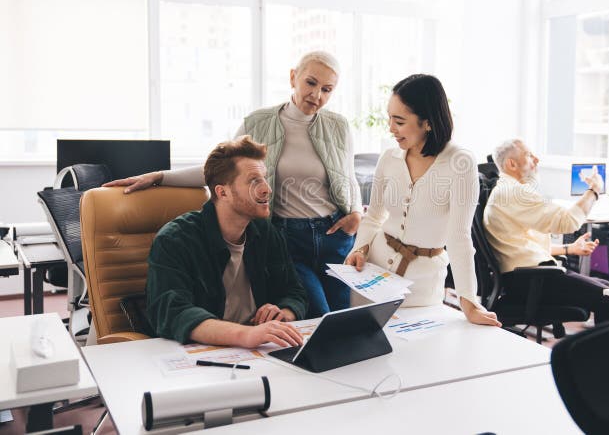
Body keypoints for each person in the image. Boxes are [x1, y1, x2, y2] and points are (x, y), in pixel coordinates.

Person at [105, 51, 362, 318]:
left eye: (327, 90)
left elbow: (348, 176)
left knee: (342, 318)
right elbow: (222, 169)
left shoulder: (338, 126)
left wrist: (356, 213)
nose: (317, 95)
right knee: (316, 315)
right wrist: (160, 176)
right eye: (311, 83)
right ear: (293, 77)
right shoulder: (258, 122)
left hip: (334, 235)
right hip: (287, 237)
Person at [343, 74, 500, 326]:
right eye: (389, 118)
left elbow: (459, 236)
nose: (391, 128)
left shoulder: (460, 163)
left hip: (422, 286)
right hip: (372, 277)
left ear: (427, 122)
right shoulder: (389, 158)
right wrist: (359, 248)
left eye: (399, 121)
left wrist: (468, 301)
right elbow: (374, 216)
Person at [147, 136, 306, 348]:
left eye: (265, 179)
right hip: (201, 352)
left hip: (259, 350)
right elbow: (173, 312)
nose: (267, 189)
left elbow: (295, 292)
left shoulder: (265, 231)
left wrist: (282, 314)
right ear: (223, 192)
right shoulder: (175, 240)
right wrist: (247, 335)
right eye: (253, 181)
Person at [482, 139, 609, 323]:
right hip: (532, 280)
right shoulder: (513, 193)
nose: (536, 159)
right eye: (529, 155)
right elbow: (568, 221)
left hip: (528, 276)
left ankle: (608, 350)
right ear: (511, 164)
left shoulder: (505, 190)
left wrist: (569, 249)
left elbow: (524, 246)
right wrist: (593, 191)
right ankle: (607, 351)